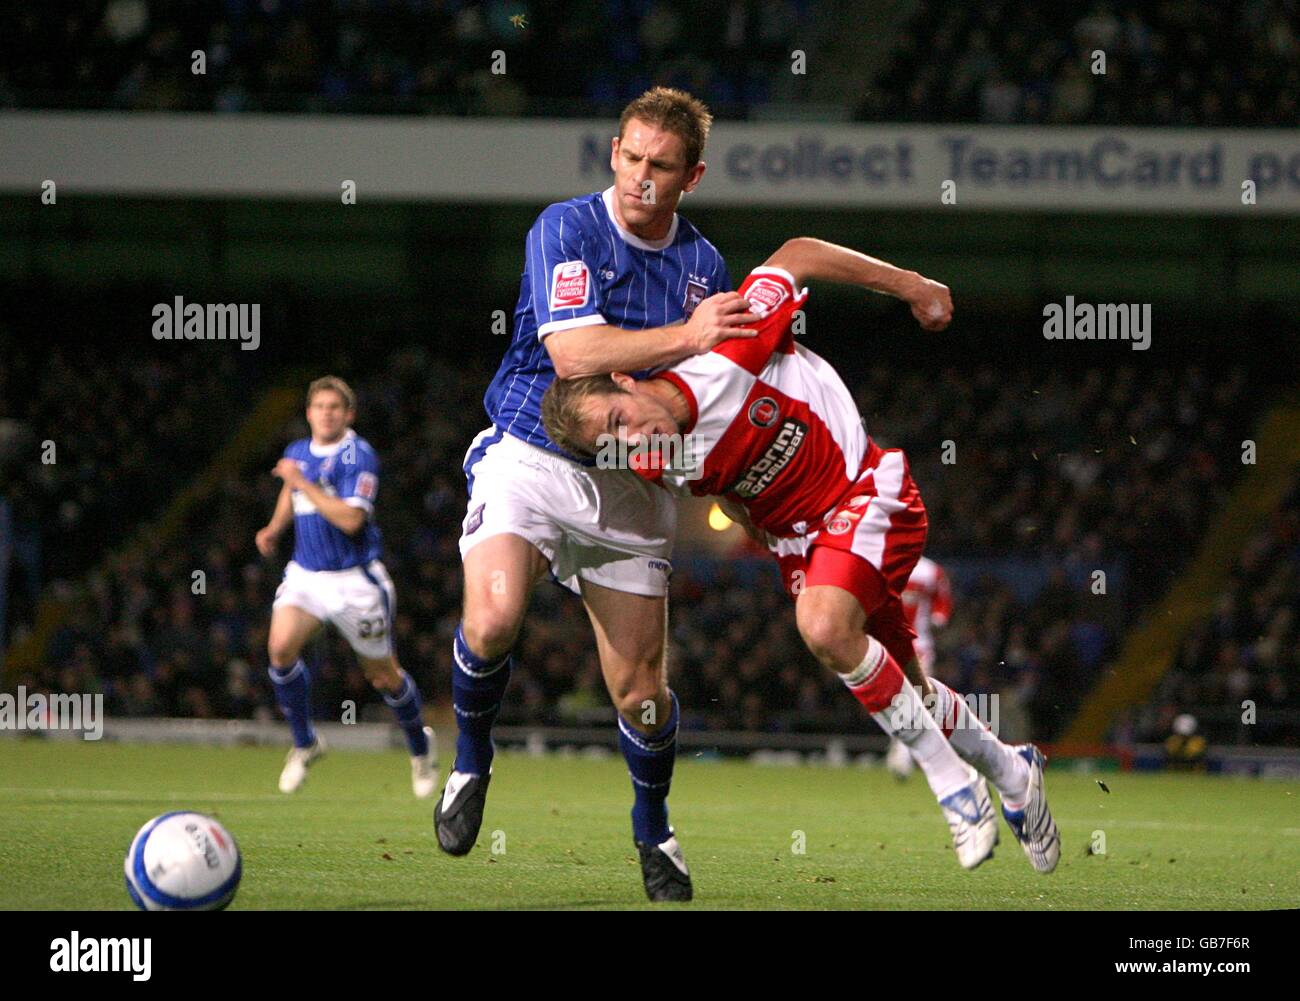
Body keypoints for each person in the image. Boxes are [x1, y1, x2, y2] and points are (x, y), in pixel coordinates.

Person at [540, 237, 1061, 872]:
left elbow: (799, 252)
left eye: (618, 417)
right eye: (611, 444)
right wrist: (752, 523)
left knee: (821, 624)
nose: (630, 439)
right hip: (804, 545)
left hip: (865, 492)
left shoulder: (728, 348)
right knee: (910, 691)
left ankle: (953, 785)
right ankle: (1013, 771)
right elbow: (727, 490)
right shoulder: (656, 460)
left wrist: (911, 285)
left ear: (627, 378)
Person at [256, 376, 436, 798]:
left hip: (356, 581)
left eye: (334, 407)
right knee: (280, 650)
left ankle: (419, 744)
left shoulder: (359, 455)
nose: (326, 413)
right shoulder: (297, 452)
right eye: (319, 406)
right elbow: (290, 493)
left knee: (383, 676)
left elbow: (352, 519)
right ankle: (305, 743)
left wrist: (302, 483)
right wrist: (274, 528)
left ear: (348, 414)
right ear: (308, 412)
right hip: (307, 575)